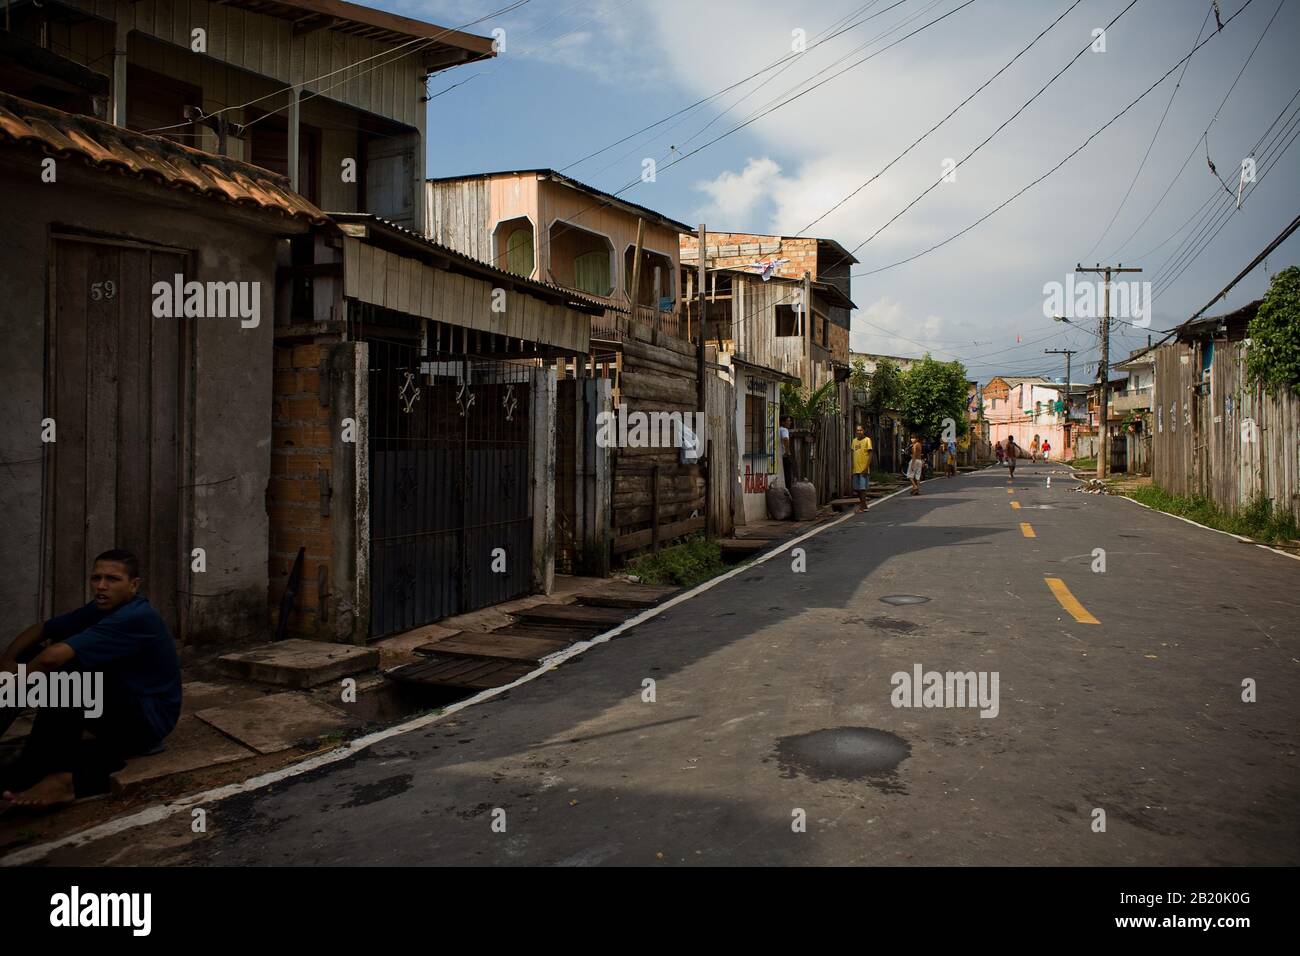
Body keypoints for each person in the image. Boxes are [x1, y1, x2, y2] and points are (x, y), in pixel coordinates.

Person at [1, 550, 181, 812]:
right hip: (117, 704)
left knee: (67, 674)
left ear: (134, 585)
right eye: (96, 578)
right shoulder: (99, 607)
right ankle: (34, 765)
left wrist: (11, 681)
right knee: (32, 658)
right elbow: (43, 629)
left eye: (112, 579)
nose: (101, 586)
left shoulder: (136, 616)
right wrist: (7, 661)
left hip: (147, 722)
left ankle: (61, 780)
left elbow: (52, 658)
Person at [851, 424, 873, 513]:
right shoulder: (854, 441)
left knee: (862, 488)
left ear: (863, 431)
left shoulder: (867, 440)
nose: (859, 432)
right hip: (856, 469)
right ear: (855, 432)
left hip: (863, 469)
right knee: (857, 488)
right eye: (857, 430)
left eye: (861, 430)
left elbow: (870, 454)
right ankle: (864, 505)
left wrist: (866, 467)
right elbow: (853, 454)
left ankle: (861, 507)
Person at [780, 416, 794, 486]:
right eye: (788, 421)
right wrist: (787, 451)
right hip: (785, 456)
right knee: (788, 476)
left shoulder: (779, 429)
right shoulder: (784, 430)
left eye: (790, 421)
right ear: (783, 422)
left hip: (780, 457)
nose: (790, 422)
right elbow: (785, 439)